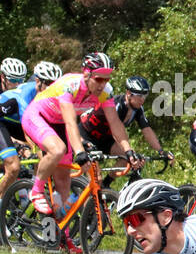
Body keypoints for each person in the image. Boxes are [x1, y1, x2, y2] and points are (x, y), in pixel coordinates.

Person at [24, 53, 131, 218]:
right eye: (99, 79)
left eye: (106, 79)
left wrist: (128, 150)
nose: (103, 84)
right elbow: (71, 123)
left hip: (58, 123)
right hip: (38, 116)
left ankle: (63, 237)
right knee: (58, 149)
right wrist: (80, 151)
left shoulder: (105, 93)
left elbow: (115, 123)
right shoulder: (71, 84)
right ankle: (36, 190)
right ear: (86, 73)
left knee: (63, 183)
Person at [0, 61, 61, 202]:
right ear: (38, 82)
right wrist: (32, 149)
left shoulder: (53, 96)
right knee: (14, 167)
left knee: (46, 154)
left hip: (14, 123)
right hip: (3, 122)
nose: (52, 89)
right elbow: (29, 127)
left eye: (55, 85)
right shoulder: (24, 96)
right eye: (48, 84)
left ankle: (31, 191)